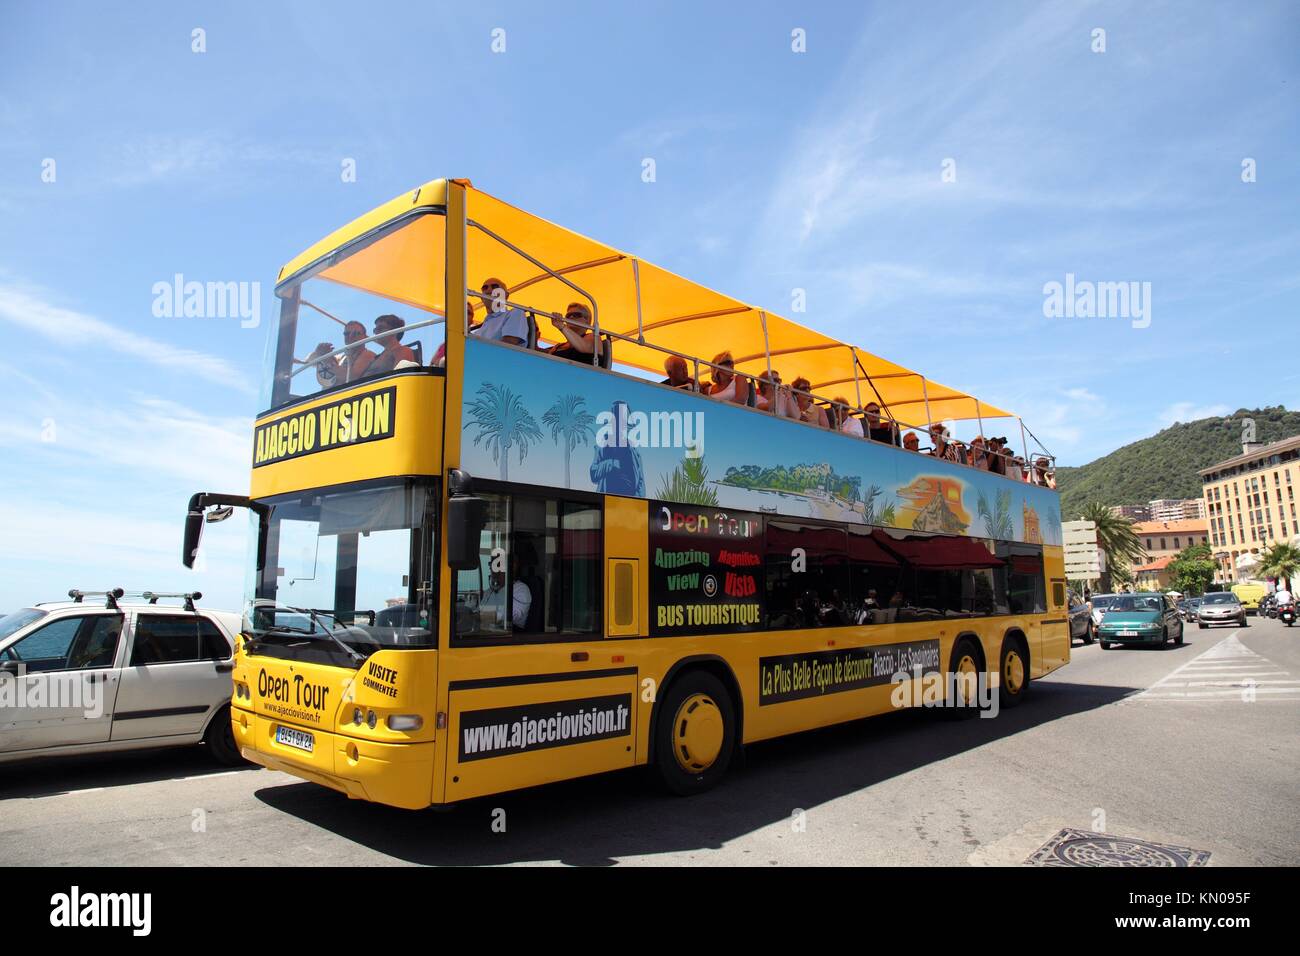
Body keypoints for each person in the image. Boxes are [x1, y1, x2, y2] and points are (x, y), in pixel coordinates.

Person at [590, 401, 646, 495]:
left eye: (623, 425)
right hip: (608, 501)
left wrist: (637, 503)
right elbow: (593, 473)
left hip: (630, 504)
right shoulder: (603, 446)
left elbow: (640, 483)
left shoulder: (633, 451)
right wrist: (611, 464)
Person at [306, 320, 375, 388]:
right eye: (346, 334)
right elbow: (309, 361)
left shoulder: (368, 355)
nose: (350, 336)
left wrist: (328, 361)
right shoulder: (342, 357)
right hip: (329, 397)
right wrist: (319, 352)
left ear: (365, 337)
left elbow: (353, 379)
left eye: (356, 333)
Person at [472, 277, 529, 345]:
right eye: (485, 288)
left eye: (495, 287)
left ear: (506, 295)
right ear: (481, 298)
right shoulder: (479, 330)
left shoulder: (516, 313)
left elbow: (507, 346)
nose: (489, 290)